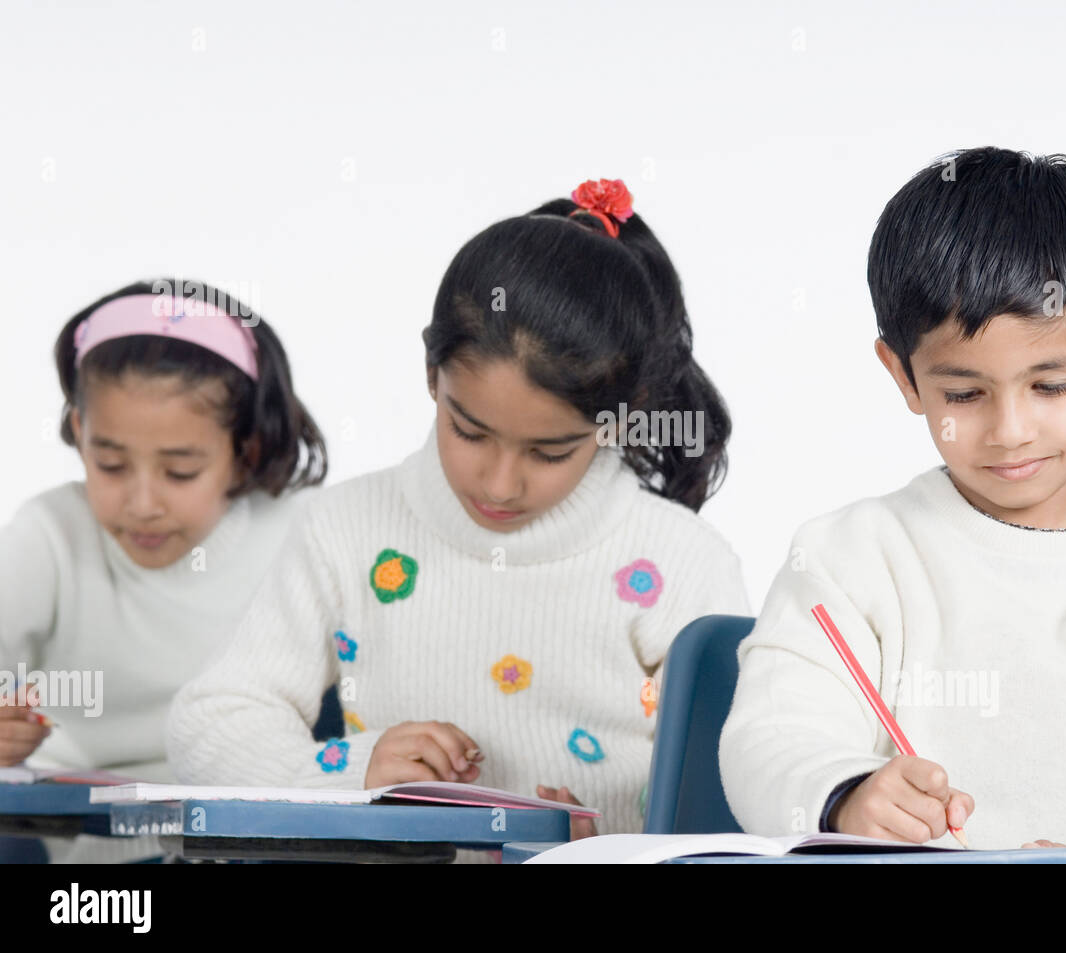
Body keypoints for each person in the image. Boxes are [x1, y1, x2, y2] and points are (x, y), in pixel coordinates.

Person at [718, 148, 1066, 863]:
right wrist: (844, 791)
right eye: (963, 393)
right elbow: (770, 737)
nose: (1010, 429)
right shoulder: (848, 560)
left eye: (1049, 385)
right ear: (902, 374)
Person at [167, 179, 750, 859]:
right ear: (431, 375)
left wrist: (614, 851)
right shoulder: (346, 528)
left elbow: (739, 787)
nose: (500, 483)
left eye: (550, 450)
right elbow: (208, 722)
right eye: (469, 430)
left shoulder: (681, 561)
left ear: (621, 415)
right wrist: (354, 773)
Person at [0, 278, 326, 861]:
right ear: (79, 432)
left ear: (245, 449)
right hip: (72, 838)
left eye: (180, 472)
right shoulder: (50, 534)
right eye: (111, 464)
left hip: (241, 833)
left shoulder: (300, 532)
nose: (143, 502)